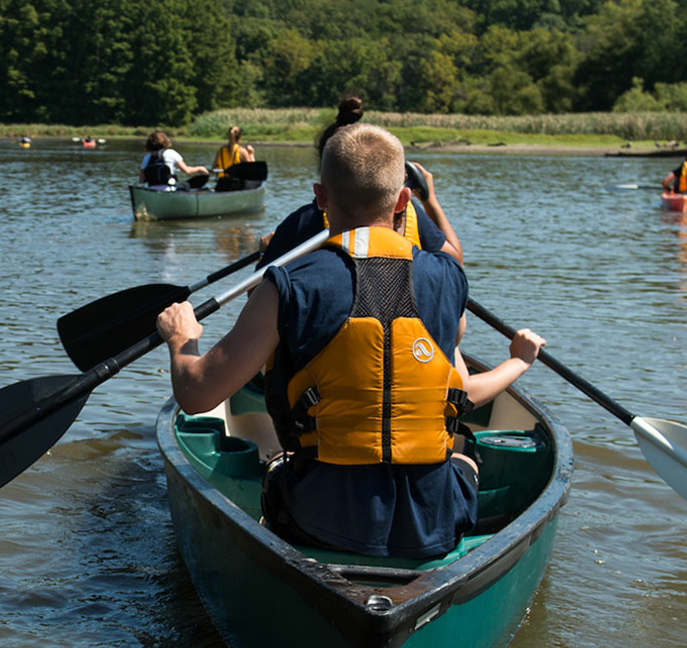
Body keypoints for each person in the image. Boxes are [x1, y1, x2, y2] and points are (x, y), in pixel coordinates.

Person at [155, 122, 546, 559]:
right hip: (432, 524)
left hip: (318, 522)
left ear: (321, 198)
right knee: (465, 457)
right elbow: (458, 380)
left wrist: (181, 338)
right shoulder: (449, 279)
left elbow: (195, 394)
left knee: (280, 461)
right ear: (403, 200)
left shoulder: (284, 284)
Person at [258, 96, 462, 265]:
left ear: (322, 185)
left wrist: (265, 256)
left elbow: (256, 294)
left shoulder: (304, 222)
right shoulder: (410, 212)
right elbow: (455, 262)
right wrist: (429, 199)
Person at [138, 131, 209, 189]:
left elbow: (142, 180)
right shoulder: (171, 152)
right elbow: (187, 171)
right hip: (169, 190)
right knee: (203, 177)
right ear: (165, 141)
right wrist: (200, 169)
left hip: (151, 191)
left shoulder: (147, 157)